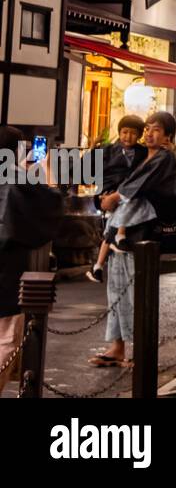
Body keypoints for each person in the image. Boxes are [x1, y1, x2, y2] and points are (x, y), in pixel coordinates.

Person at [89, 111, 176, 369]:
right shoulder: (143, 155)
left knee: (135, 291)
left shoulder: (165, 158)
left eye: (157, 130)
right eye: (148, 128)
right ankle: (117, 346)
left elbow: (138, 186)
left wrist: (114, 199)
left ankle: (142, 350)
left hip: (143, 233)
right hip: (124, 229)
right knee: (115, 289)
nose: (150, 133)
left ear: (167, 136)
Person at [0, 127, 63, 393]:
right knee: (5, 339)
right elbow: (51, 203)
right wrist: (48, 170)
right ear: (17, 149)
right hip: (6, 268)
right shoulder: (18, 178)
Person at [85, 115, 146, 283]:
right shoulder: (107, 150)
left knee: (116, 217)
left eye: (133, 133)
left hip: (125, 194)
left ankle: (98, 266)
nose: (128, 136)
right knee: (125, 202)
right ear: (119, 133)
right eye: (124, 132)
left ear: (139, 135)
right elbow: (87, 170)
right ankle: (120, 236)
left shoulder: (144, 152)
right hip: (108, 191)